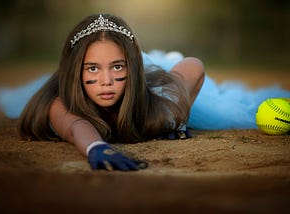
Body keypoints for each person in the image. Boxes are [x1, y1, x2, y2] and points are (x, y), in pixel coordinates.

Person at [17, 14, 205, 171]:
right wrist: (95, 147)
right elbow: (76, 126)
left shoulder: (155, 97)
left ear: (131, 69)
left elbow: (194, 66)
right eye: (92, 69)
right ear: (75, 71)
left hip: (148, 81)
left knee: (172, 68)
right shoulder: (59, 103)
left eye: (117, 67)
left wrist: (175, 120)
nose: (106, 81)